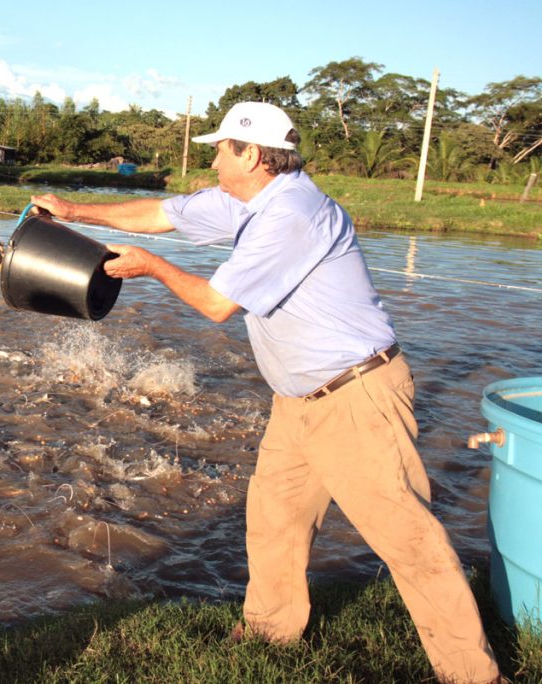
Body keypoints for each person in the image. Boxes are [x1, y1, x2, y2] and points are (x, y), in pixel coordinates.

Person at [30, 101, 501, 684]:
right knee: (274, 518)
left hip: (355, 396)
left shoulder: (292, 215)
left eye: (220, 147)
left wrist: (153, 268)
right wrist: (72, 210)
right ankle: (271, 632)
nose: (213, 156)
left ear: (250, 154)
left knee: (407, 538)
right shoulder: (249, 201)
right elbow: (159, 211)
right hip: (299, 400)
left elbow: (216, 305)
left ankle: (473, 674)